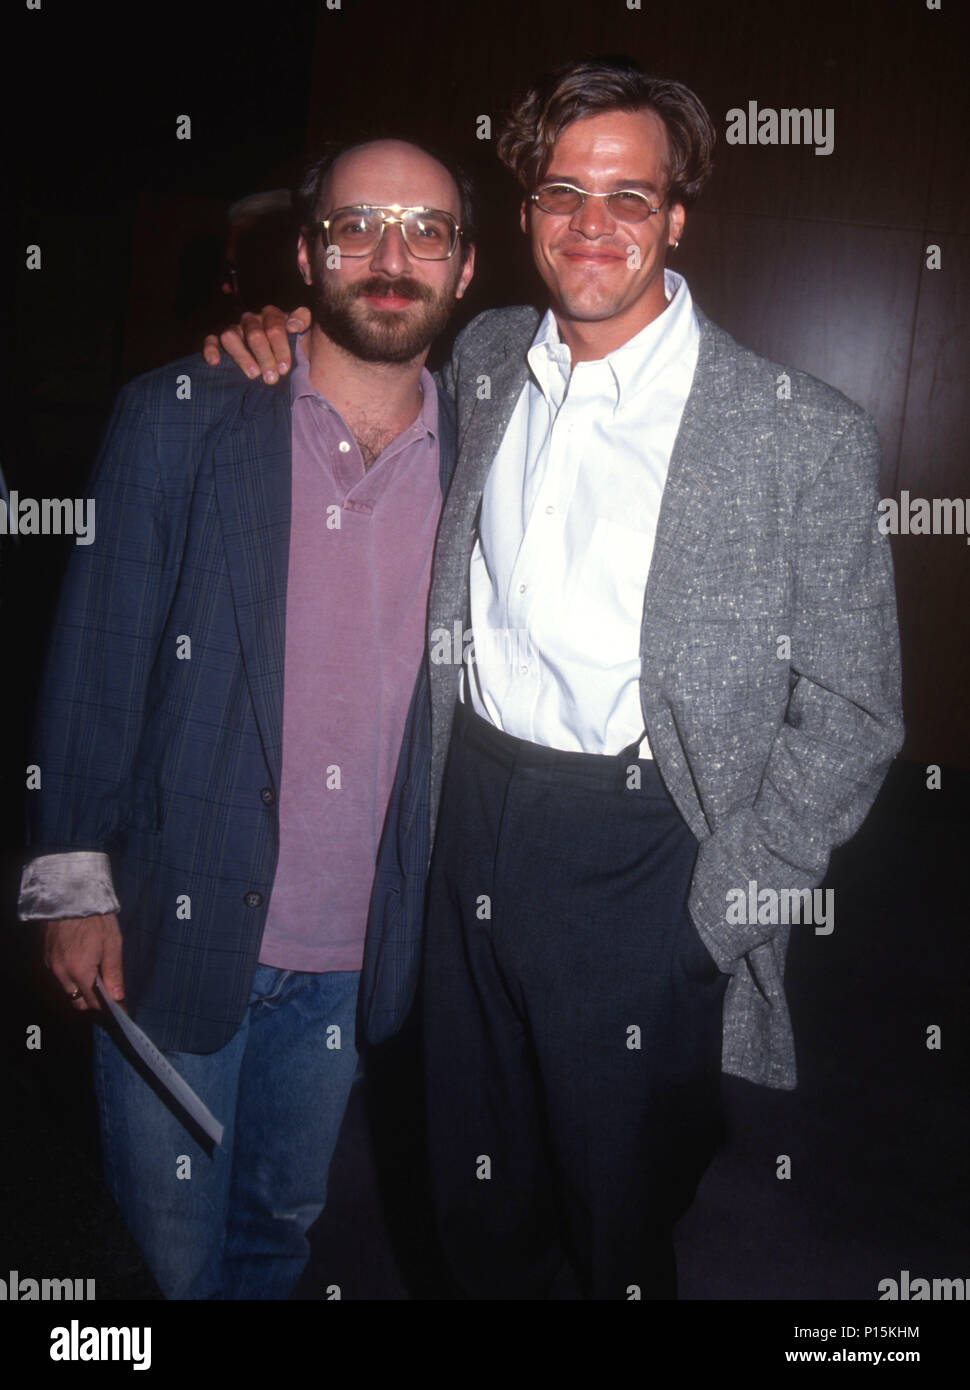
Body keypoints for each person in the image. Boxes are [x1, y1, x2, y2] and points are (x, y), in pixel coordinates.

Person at [212, 56, 904, 1301]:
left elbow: (853, 713)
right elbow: (362, 347)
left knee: (616, 1207)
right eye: (561, 194)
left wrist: (722, 908)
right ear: (525, 213)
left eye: (629, 198)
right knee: (470, 1195)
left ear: (676, 218)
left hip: (647, 854)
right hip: (469, 810)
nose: (593, 226)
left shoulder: (800, 431)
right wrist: (275, 327)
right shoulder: (484, 355)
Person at [18, 136, 475, 1299]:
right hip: (174, 926)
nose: (389, 255)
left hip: (355, 950)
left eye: (425, 230)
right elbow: (96, 657)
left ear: (466, 271)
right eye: (357, 225)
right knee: (165, 1261)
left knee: (280, 1235)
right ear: (310, 253)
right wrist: (71, 890)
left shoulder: (489, 452)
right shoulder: (182, 413)